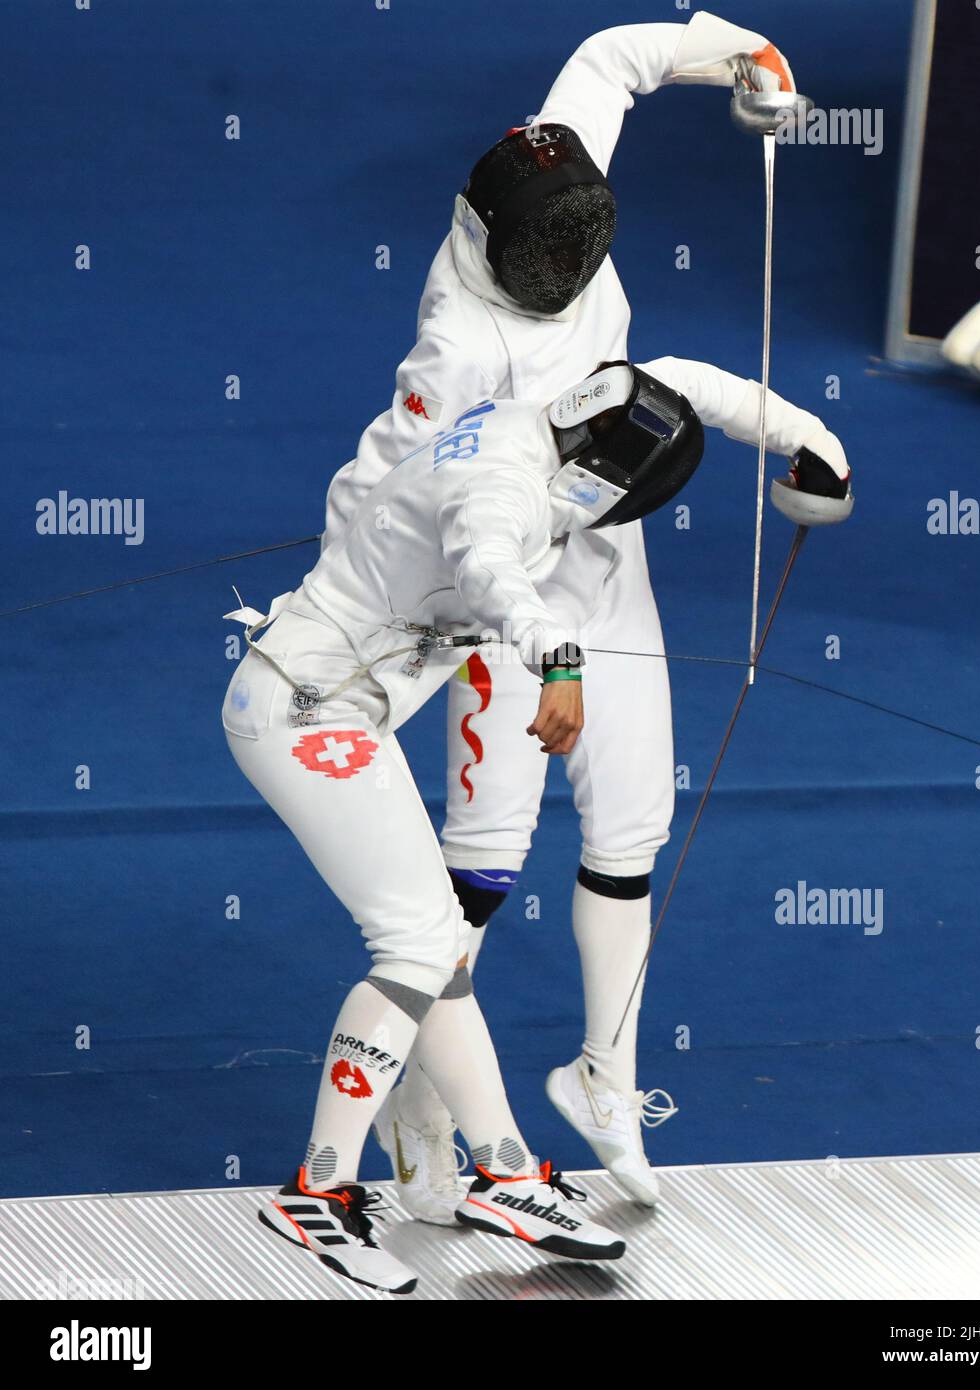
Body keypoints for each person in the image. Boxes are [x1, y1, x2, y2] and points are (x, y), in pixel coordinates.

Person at [322, 15, 847, 1219]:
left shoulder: (562, 171)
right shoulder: (456, 349)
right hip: (498, 606)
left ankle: (603, 1069)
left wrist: (747, 55)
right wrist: (364, 605)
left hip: (608, 573)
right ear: (489, 240)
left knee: (630, 832)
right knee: (478, 873)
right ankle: (425, 1097)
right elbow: (389, 487)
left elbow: (618, 56)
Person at [222, 361, 710, 1293]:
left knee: (438, 946)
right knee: (411, 944)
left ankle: (504, 1171)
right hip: (306, 716)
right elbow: (491, 567)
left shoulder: (521, 420)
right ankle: (315, 1194)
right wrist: (559, 662)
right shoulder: (504, 492)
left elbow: (671, 380)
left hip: (324, 701)